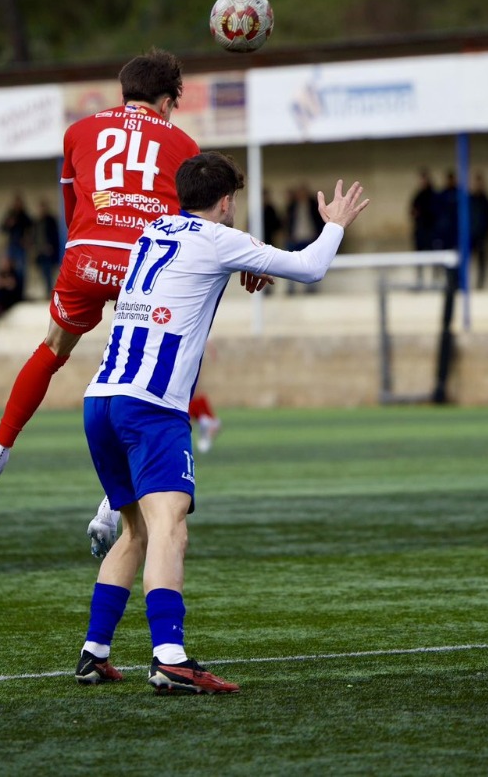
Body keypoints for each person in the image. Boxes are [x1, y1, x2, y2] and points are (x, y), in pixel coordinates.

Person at [72, 153, 369, 694]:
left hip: (101, 398)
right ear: (227, 202)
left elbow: (208, 254)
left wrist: (247, 258)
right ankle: (169, 657)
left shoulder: (152, 230)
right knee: (169, 528)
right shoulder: (217, 240)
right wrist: (334, 226)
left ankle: (95, 650)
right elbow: (310, 267)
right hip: (152, 405)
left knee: (137, 529)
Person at [0, 50, 201, 502]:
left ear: (124, 91)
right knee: (157, 371)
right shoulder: (186, 147)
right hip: (146, 266)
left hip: (86, 259)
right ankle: (113, 504)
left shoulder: (78, 132)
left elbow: (71, 209)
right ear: (170, 100)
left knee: (52, 348)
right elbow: (195, 225)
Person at [285, 184, 322, 293]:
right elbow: (287, 221)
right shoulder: (292, 206)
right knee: (290, 264)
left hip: (309, 237)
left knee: (310, 263)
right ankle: (291, 287)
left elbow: (319, 221)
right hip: (295, 238)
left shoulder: (313, 205)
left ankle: (311, 287)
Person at [409, 169, 436, 286]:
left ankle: (434, 281)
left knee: (434, 257)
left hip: (431, 231)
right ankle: (420, 281)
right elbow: (412, 211)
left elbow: (435, 212)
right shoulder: (418, 195)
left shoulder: (433, 195)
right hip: (420, 231)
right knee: (419, 258)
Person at [33, 199, 63, 300]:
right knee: (44, 273)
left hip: (49, 252)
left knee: (49, 272)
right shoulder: (37, 222)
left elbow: (55, 236)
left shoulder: (50, 221)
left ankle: (50, 292)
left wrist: (51, 247)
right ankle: (47, 291)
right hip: (40, 252)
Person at [0, 194, 34, 283]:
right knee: (8, 267)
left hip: (21, 245)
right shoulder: (10, 215)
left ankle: (20, 288)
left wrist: (27, 240)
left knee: (21, 268)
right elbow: (1, 228)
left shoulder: (25, 216)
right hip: (11, 244)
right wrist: (8, 224)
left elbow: (32, 229)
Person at [469, 172, 488, 289]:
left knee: (481, 261)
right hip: (470, 235)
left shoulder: (485, 200)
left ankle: (480, 284)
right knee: (467, 260)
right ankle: (465, 284)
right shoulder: (470, 200)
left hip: (481, 235)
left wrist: (486, 232)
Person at [0, 254, 24, 327]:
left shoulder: (14, 273)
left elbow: (12, 286)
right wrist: (5, 283)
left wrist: (3, 283)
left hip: (12, 296)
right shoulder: (1, 272)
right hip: (2, 296)